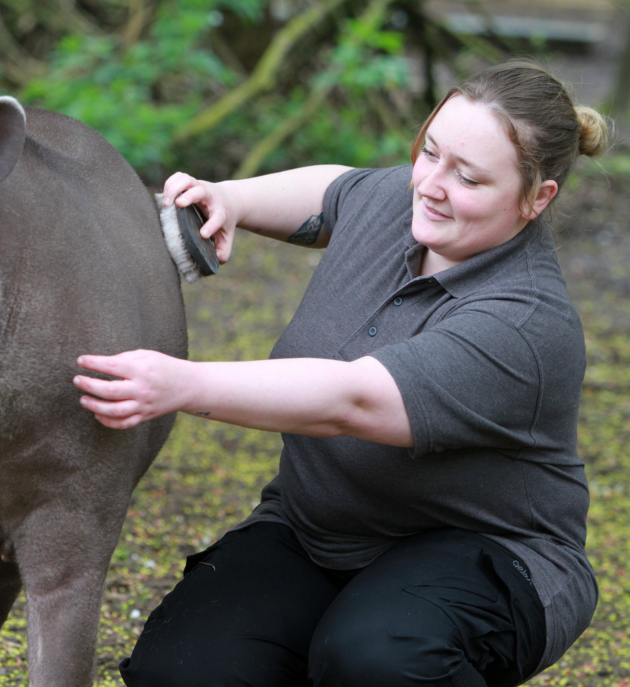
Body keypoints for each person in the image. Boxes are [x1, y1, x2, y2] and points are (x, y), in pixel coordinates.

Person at [72, 59, 609, 687]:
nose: (430, 184)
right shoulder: (399, 202)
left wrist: (184, 384)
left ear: (535, 199)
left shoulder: (524, 324)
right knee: (184, 671)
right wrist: (234, 197)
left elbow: (351, 400)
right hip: (318, 532)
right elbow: (338, 190)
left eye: (467, 177)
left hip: (489, 553)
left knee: (375, 657)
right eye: (429, 152)